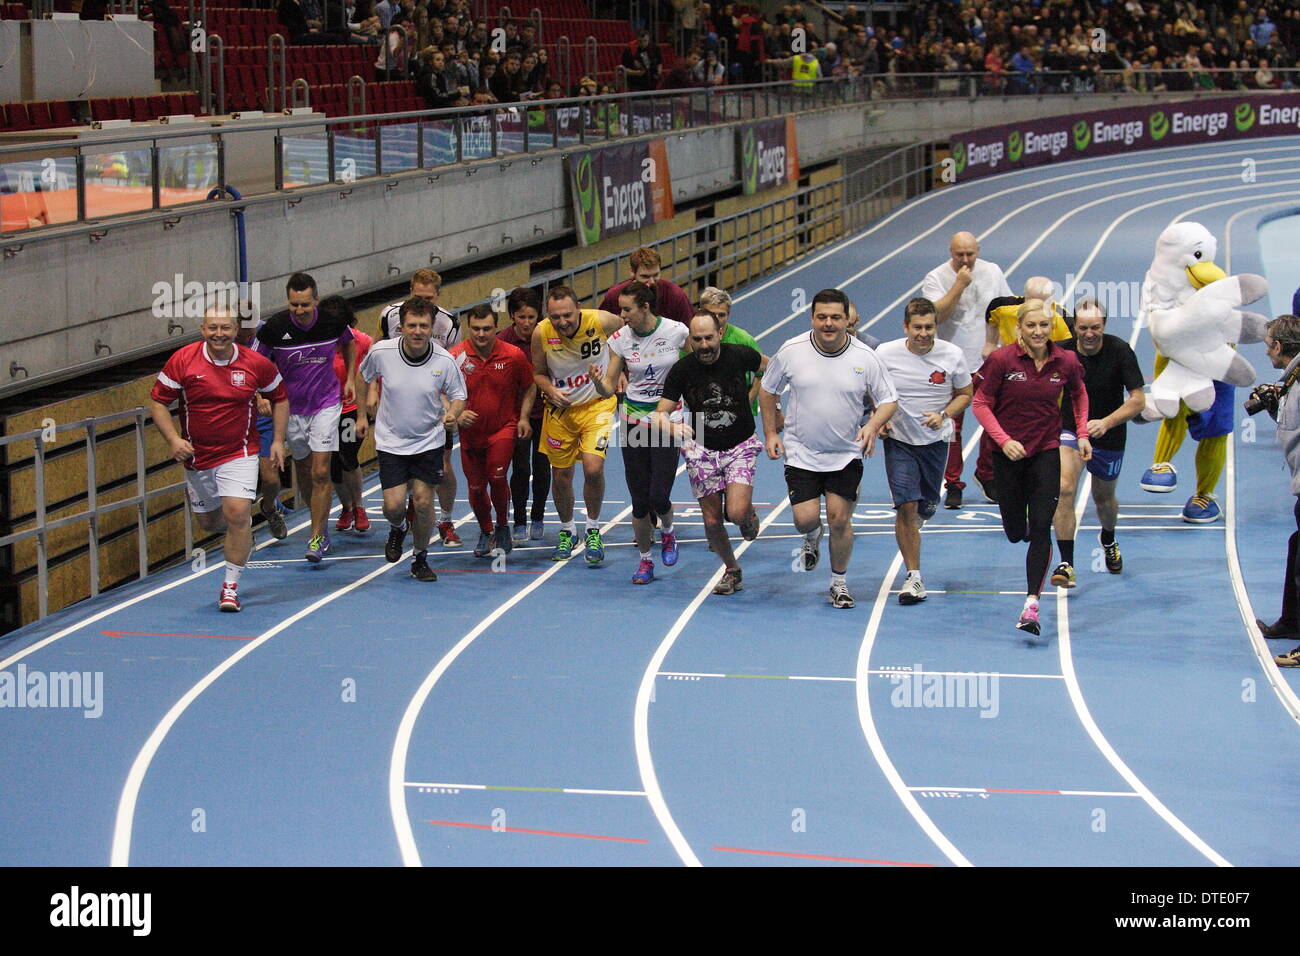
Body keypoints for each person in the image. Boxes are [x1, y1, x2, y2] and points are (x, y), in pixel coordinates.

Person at [759, 288, 899, 609]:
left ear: (847, 319)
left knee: (840, 520)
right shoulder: (792, 350)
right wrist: (770, 433)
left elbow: (889, 399)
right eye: (822, 317)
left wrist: (872, 425)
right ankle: (811, 535)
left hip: (845, 453)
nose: (828, 323)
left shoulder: (865, 356)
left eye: (836, 317)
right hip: (801, 452)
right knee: (804, 518)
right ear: (812, 318)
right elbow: (767, 392)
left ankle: (838, 583)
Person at [150, 307, 289, 612]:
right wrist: (174, 440)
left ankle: (230, 587)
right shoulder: (183, 360)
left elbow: (280, 397)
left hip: (239, 452)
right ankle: (239, 533)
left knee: (238, 513)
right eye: (213, 328)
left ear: (236, 330)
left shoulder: (255, 363)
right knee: (211, 523)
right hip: (198, 456)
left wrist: (277, 440)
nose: (219, 334)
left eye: (225, 328)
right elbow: (158, 403)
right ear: (202, 329)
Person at [971, 300, 1089, 639]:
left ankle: (1031, 604)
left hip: (1046, 452)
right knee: (1014, 530)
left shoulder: (1065, 361)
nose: (1038, 332)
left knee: (1041, 526)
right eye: (1031, 326)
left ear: (1051, 327)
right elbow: (980, 403)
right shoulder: (1001, 360)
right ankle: (1018, 525)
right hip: (1007, 456)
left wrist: (1081, 433)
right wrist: (1003, 440)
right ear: (1020, 329)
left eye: (1044, 325)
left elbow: (1079, 396)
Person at [654, 311, 768, 595]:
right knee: (712, 520)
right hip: (701, 446)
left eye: (708, 338)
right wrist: (671, 427)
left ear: (720, 334)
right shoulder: (682, 370)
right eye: (697, 339)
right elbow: (659, 414)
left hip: (740, 443)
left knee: (736, 512)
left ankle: (747, 515)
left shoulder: (740, 354)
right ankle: (732, 570)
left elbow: (771, 370)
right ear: (689, 340)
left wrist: (760, 398)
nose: (703, 345)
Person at [360, 296, 467, 582]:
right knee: (394, 507)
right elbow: (365, 376)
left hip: (428, 441)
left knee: (422, 502)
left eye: (424, 325)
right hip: (391, 442)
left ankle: (420, 558)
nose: (418, 331)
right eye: (412, 325)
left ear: (432, 328)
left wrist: (453, 414)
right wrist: (362, 413)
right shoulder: (381, 352)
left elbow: (458, 396)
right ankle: (398, 529)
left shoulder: (444, 361)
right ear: (401, 327)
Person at [875, 298, 973, 605]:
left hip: (935, 440)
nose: (923, 333)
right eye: (917, 327)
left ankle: (928, 506)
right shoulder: (885, 354)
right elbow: (871, 389)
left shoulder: (952, 354)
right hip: (899, 441)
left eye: (929, 326)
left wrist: (943, 415)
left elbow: (965, 394)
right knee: (906, 506)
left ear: (936, 326)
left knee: (926, 506)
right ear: (905, 327)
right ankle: (914, 577)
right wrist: (878, 419)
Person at [255, 272, 357, 564]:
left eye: (304, 305)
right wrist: (260, 396)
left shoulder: (331, 322)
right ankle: (318, 520)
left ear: (315, 300)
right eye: (293, 305)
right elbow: (257, 364)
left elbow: (349, 343)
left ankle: (318, 534)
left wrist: (349, 378)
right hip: (290, 409)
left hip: (326, 404)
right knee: (304, 468)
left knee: (322, 471)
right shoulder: (275, 328)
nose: (299, 311)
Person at [593, 281, 689, 584]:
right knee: (639, 501)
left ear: (645, 307)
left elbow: (695, 366)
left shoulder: (676, 332)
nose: (621, 315)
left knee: (660, 496)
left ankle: (669, 531)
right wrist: (599, 384)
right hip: (634, 419)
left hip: (666, 418)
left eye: (627, 309)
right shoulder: (619, 339)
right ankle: (646, 561)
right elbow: (610, 383)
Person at [1049, 297, 1146, 588]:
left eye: (1095, 328)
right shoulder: (1061, 352)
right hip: (1071, 432)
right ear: (1074, 327)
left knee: (1102, 499)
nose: (1089, 334)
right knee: (1064, 488)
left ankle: (1108, 537)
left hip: (1109, 434)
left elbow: (1138, 400)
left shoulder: (1120, 351)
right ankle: (1066, 563)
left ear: (1104, 325)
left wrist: (1106, 422)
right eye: (1083, 328)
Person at [530, 286, 624, 565]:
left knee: (593, 467)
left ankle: (593, 528)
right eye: (556, 316)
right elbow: (537, 373)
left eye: (567, 315)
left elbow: (627, 339)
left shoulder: (602, 321)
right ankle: (568, 530)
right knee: (560, 476)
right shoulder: (541, 332)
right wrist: (550, 388)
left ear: (579, 308)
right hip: (560, 412)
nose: (562, 322)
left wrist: (619, 372)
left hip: (597, 405)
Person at [921, 231, 1012, 508]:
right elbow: (935, 316)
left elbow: (1007, 309)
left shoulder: (993, 271)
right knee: (952, 428)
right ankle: (953, 482)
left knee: (994, 422)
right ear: (950, 251)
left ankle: (986, 474)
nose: (965, 260)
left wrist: (1001, 344)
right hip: (950, 363)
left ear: (978, 250)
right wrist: (959, 285)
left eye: (970, 254)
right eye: (959, 254)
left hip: (988, 362)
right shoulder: (935, 278)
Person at [378, 269, 463, 546]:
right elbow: (377, 351)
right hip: (398, 406)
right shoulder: (390, 315)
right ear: (410, 291)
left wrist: (450, 408)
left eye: (429, 298)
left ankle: (446, 520)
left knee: (444, 467)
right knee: (396, 499)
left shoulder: (449, 324)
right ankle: (404, 522)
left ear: (438, 296)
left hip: (434, 408)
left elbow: (450, 367)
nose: (423, 302)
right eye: (418, 296)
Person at [974, 275, 1073, 501]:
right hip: (1008, 373)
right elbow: (992, 311)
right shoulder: (1005, 307)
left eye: (1043, 305)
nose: (1036, 310)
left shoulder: (1063, 320)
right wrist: (990, 343)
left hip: (1042, 382)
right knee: (993, 420)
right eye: (1030, 303)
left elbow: (1072, 354)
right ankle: (986, 473)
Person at [450, 304, 536, 558]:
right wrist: (456, 414)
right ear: (469, 328)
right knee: (476, 487)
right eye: (476, 329)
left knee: (497, 476)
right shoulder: (456, 356)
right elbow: (442, 391)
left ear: (496, 327)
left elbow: (530, 387)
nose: (481, 334)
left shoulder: (514, 355)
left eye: (487, 328)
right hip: (470, 434)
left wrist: (523, 418)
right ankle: (485, 531)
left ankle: (502, 527)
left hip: (503, 428)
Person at [1254, 317, 1300, 663]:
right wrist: (1274, 407)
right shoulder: (1293, 380)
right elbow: (1291, 429)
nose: (1266, 348)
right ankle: (1291, 622)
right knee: (1296, 546)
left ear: (1279, 347)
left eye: (1268, 342)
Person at [498, 286, 550, 541]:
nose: (527, 323)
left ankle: (538, 516)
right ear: (512, 316)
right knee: (520, 467)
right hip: (516, 414)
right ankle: (519, 519)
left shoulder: (548, 336)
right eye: (521, 317)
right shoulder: (503, 341)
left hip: (545, 412)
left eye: (531, 317)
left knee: (542, 466)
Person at [325, 296, 372, 534]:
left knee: (348, 458)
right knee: (332, 465)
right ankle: (346, 507)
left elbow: (372, 372)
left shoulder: (361, 341)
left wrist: (368, 405)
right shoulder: (319, 342)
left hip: (351, 409)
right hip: (325, 411)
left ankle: (360, 507)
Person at [599, 247, 696, 327]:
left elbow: (691, 330)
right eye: (645, 276)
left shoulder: (675, 295)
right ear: (632, 271)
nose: (651, 282)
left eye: (656, 275)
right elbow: (600, 329)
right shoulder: (614, 296)